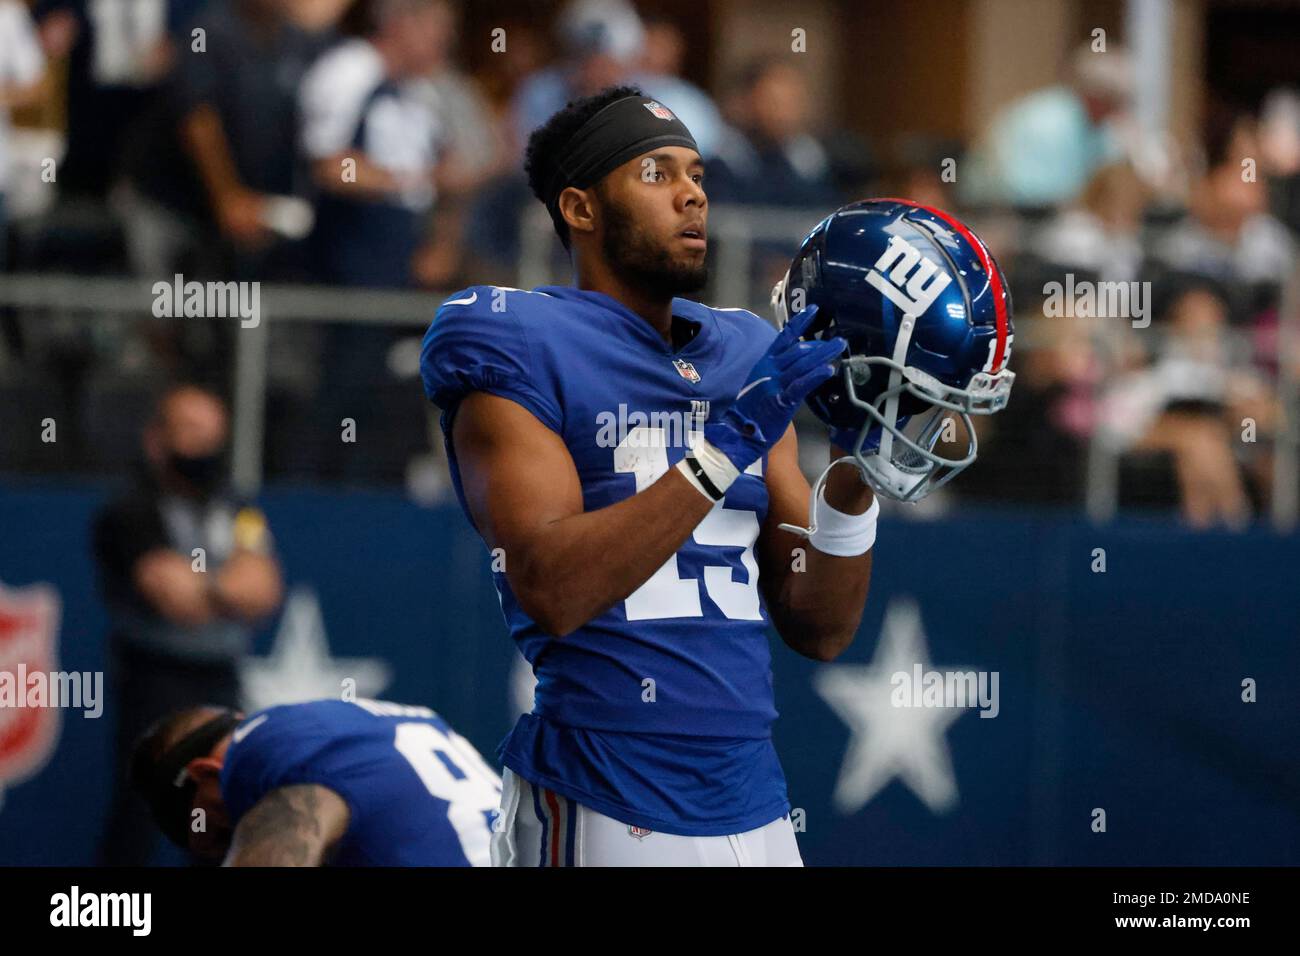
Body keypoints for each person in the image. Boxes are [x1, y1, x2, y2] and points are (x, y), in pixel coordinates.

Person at [421, 86, 877, 866]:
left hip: (754, 799)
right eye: (657, 174)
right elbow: (552, 587)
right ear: (581, 208)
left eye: (697, 174)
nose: (693, 192)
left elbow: (820, 624)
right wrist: (724, 445)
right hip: (606, 792)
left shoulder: (742, 351)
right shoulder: (517, 338)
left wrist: (859, 467)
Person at [93, 383, 283, 865]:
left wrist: (206, 587)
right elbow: (171, 595)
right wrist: (227, 588)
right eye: (189, 432)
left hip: (221, 676)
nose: (201, 448)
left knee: (222, 802)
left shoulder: (237, 508)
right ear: (157, 439)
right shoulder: (128, 510)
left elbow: (263, 589)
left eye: (211, 436)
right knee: (141, 806)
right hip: (154, 677)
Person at [131, 698, 501, 865]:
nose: (236, 846)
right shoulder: (399, 721)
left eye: (226, 835)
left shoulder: (254, 751)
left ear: (206, 773)